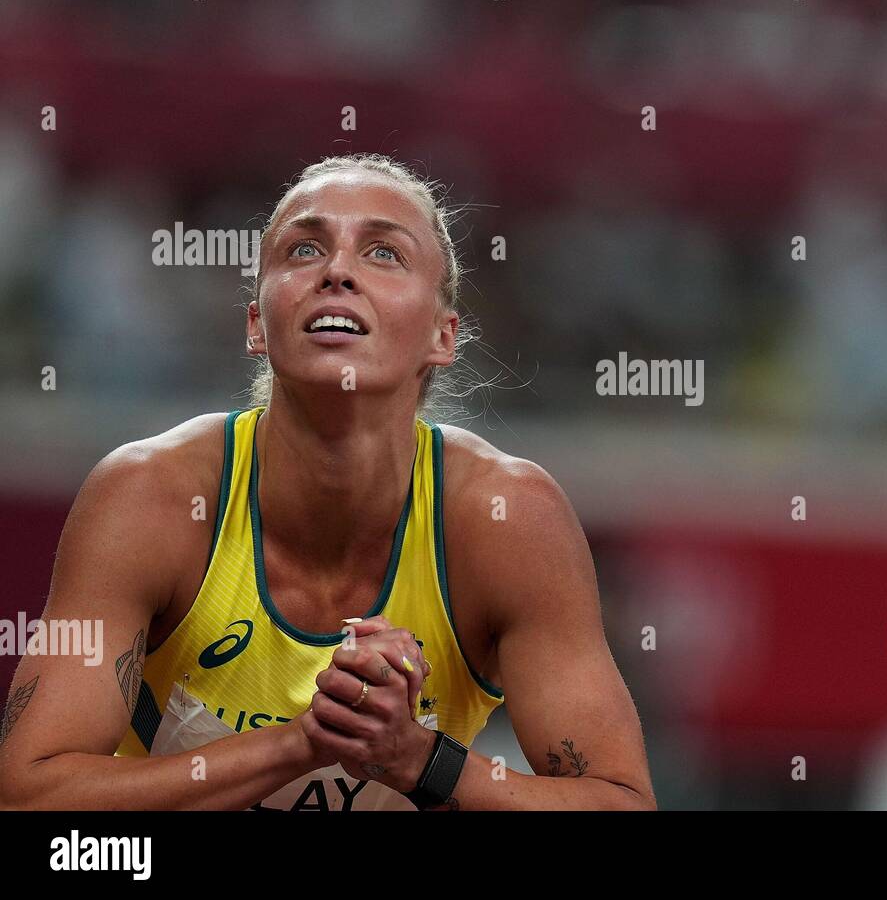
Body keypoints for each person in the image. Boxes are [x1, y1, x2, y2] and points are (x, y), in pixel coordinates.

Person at [0, 155, 655, 810]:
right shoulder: (147, 497)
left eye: (384, 253)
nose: (337, 270)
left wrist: (424, 760)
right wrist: (305, 742)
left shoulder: (507, 518)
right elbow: (30, 797)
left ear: (441, 333)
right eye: (305, 248)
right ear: (257, 322)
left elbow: (622, 802)